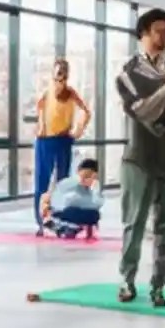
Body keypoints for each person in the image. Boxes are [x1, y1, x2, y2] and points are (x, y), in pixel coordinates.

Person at [115, 8, 165, 308]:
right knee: (134, 223)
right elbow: (142, 109)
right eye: (159, 30)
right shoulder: (128, 73)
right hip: (140, 159)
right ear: (143, 34)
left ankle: (159, 285)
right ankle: (127, 280)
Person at [33, 58, 91, 235]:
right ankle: (41, 221)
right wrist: (41, 126)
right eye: (57, 78)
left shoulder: (71, 93)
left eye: (63, 78)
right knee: (42, 182)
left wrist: (79, 129)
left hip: (63, 140)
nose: (60, 82)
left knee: (62, 182)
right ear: (52, 76)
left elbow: (86, 111)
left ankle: (62, 220)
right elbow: (40, 109)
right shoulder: (46, 93)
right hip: (46, 141)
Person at [40, 157, 103, 239]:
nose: (85, 179)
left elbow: (96, 204)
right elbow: (59, 201)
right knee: (72, 210)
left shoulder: (93, 187)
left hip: (78, 210)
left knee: (94, 214)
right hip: (62, 210)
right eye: (84, 175)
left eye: (89, 176)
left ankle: (68, 227)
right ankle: (61, 225)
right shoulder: (69, 183)